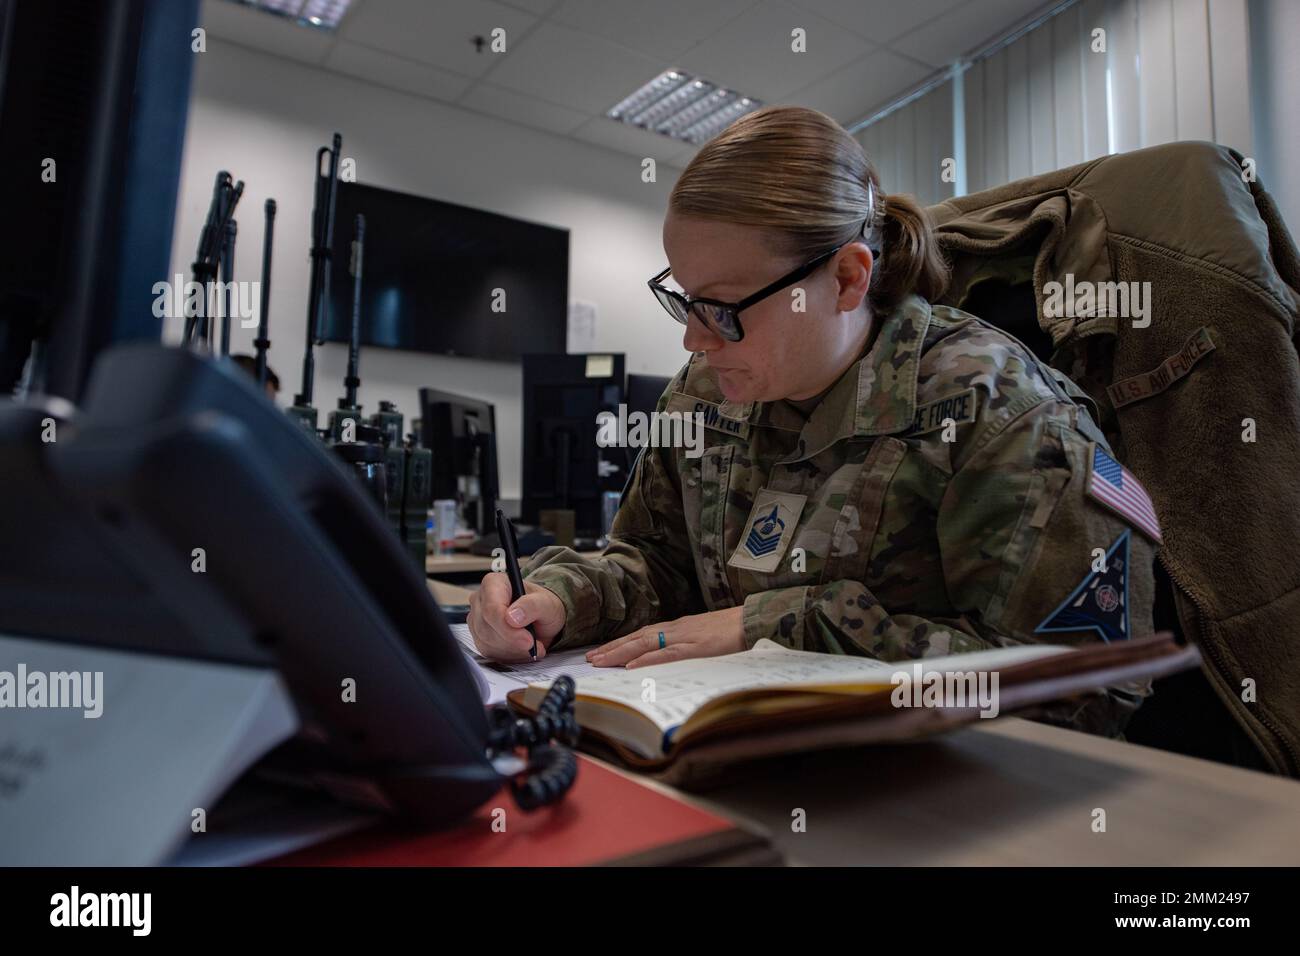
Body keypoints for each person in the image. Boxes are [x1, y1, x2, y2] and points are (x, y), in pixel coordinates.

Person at [467, 106, 1162, 736]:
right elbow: (655, 565)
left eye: (725, 308)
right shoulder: (704, 397)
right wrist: (557, 598)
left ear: (849, 278)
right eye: (686, 300)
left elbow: (1085, 687)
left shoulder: (1003, 413)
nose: (695, 342)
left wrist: (772, 627)